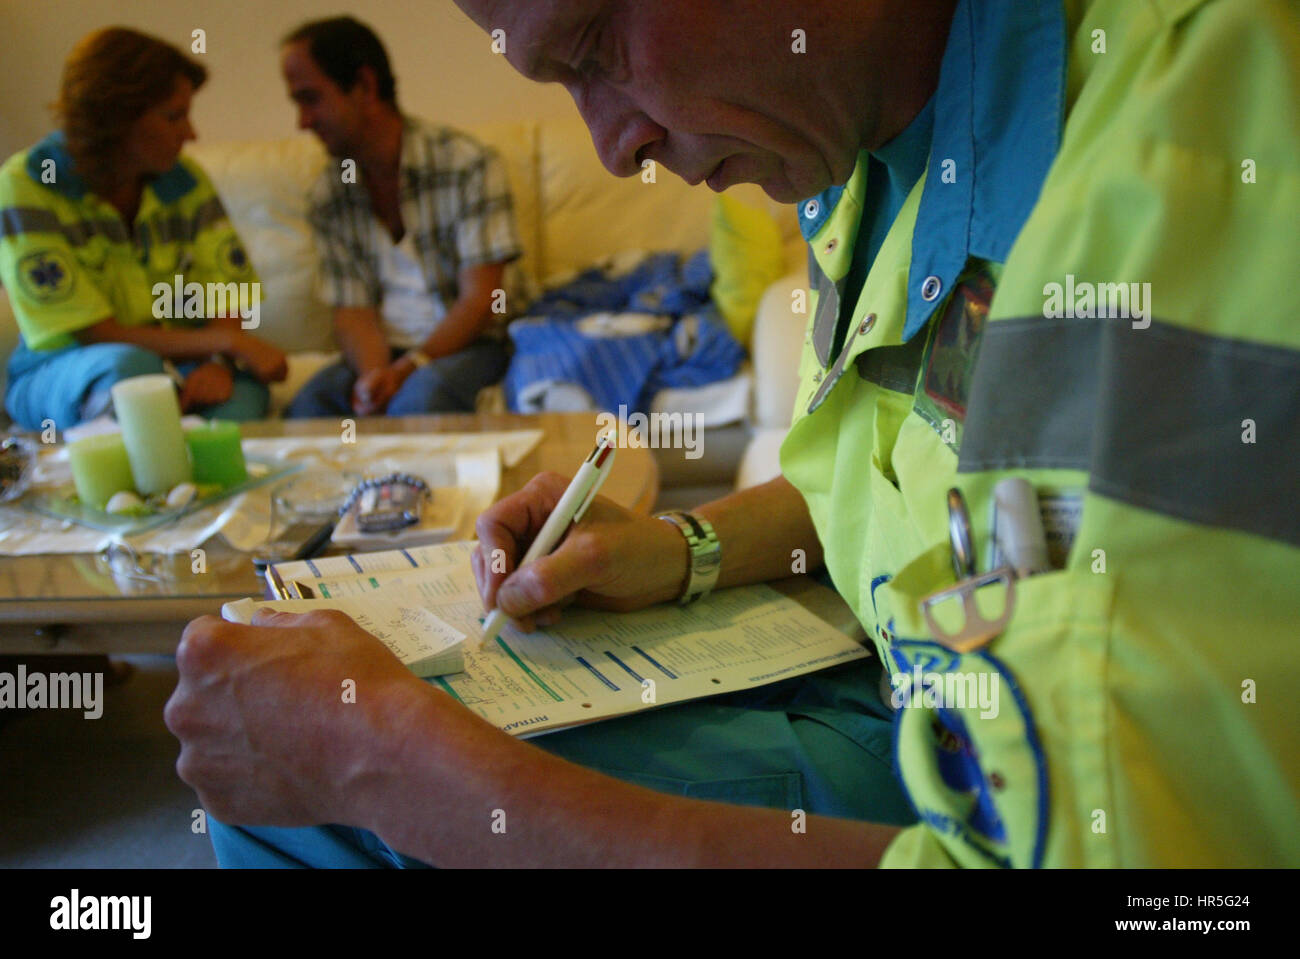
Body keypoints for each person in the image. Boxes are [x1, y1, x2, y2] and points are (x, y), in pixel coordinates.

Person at [166, 0, 1300, 867]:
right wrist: (687, 545)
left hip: (976, 771)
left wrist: (394, 774)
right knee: (295, 749)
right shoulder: (865, 162)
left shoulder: (1179, 154)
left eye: (599, 43)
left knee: (329, 783)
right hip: (894, 689)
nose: (612, 146)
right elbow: (894, 472)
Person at [0, 27, 286, 431]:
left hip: (182, 365)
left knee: (240, 399)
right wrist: (227, 344)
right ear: (115, 118)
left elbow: (226, 295)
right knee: (131, 374)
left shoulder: (184, 181)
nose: (191, 133)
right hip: (64, 371)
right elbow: (95, 335)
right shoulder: (29, 184)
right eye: (174, 116)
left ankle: (200, 490)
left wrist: (218, 363)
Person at [280, 17, 523, 419]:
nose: (302, 122)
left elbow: (482, 301)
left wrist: (409, 368)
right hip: (384, 352)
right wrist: (376, 377)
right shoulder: (329, 193)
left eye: (310, 99)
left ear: (365, 85)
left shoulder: (465, 165)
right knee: (309, 407)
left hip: (472, 344)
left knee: (419, 402)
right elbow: (352, 311)